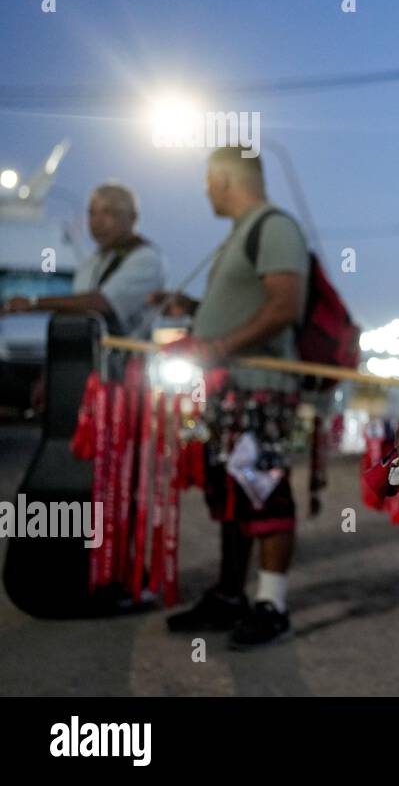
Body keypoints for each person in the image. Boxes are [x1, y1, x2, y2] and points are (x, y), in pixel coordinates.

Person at [157, 146, 310, 648]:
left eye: (208, 180)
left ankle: (272, 605)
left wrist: (215, 344)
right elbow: (249, 304)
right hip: (231, 392)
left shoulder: (274, 226)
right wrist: (199, 311)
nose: (205, 190)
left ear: (225, 179)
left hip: (259, 391)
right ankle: (230, 595)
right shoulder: (243, 233)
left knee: (263, 490)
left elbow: (285, 305)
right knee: (232, 493)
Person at [1, 181, 165, 409]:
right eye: (92, 213)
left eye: (109, 212)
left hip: (122, 382)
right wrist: (49, 376)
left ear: (133, 217)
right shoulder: (91, 262)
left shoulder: (144, 259)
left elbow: (101, 303)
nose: (97, 222)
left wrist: (32, 303)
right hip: (79, 375)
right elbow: (75, 321)